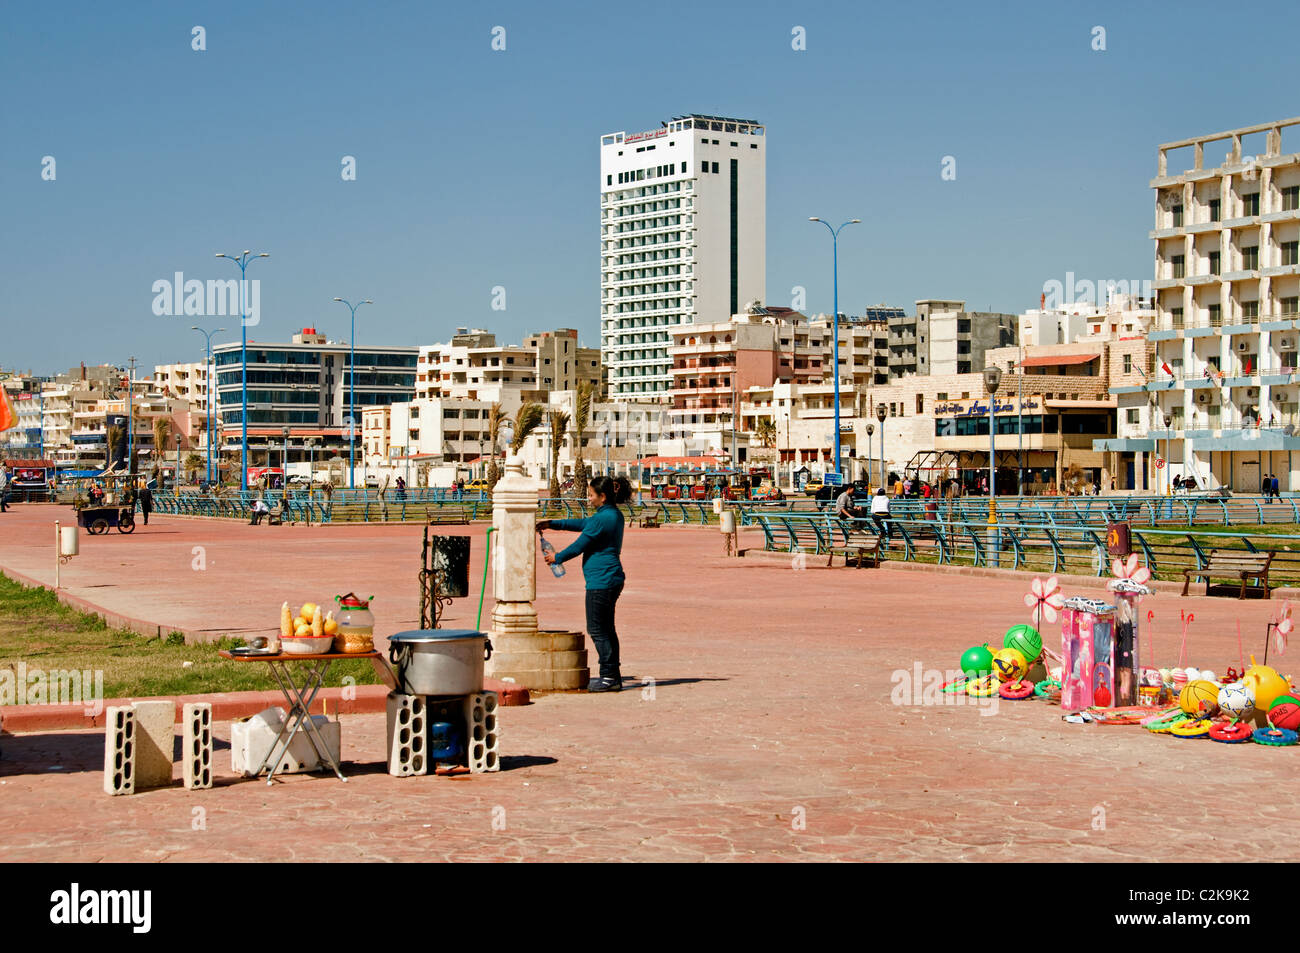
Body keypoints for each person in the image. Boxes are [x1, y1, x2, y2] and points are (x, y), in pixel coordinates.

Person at [536, 475, 632, 693]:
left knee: (597, 629)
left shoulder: (603, 519)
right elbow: (582, 524)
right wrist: (553, 524)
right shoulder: (611, 515)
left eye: (591, 495)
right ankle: (612, 675)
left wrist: (556, 558)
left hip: (602, 581)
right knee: (607, 629)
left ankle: (609, 677)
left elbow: (581, 544)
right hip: (610, 578)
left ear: (603, 496)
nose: (589, 499)